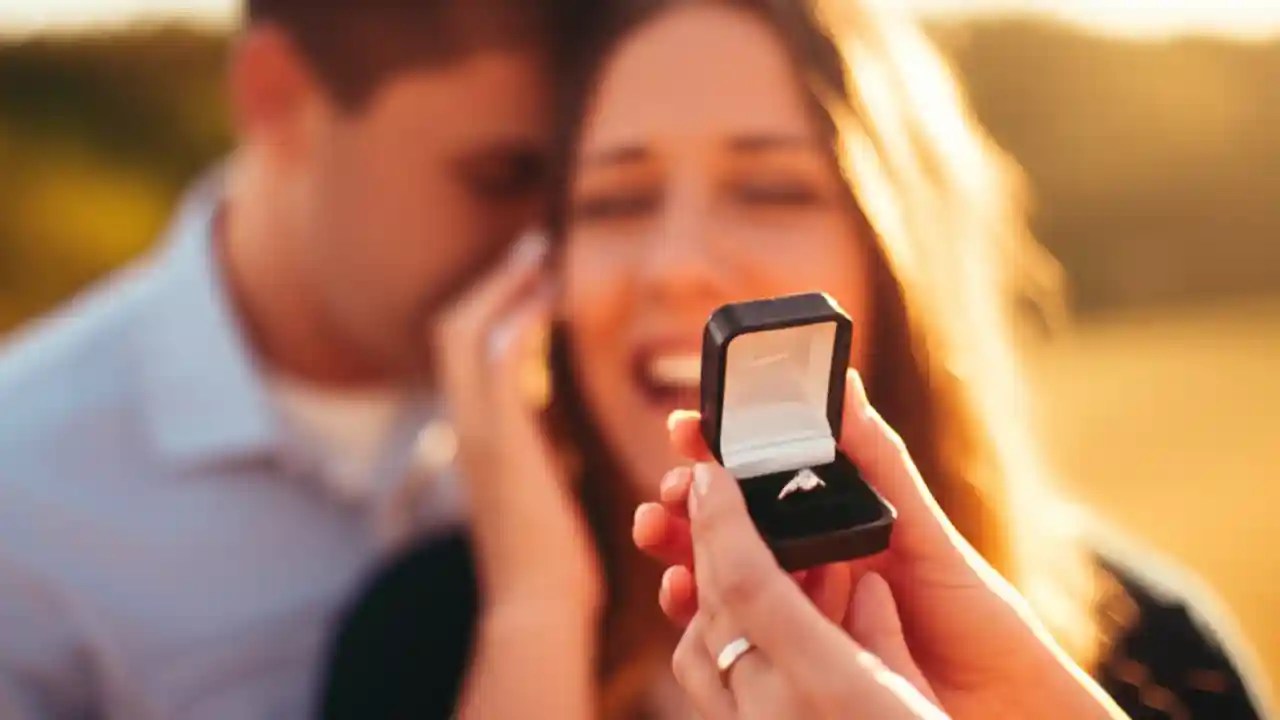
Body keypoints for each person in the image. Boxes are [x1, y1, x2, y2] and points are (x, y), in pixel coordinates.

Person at [320, 1, 1270, 718]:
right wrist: (534, 621)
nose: (679, 261)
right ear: (541, 279)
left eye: (772, 188)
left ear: (896, 258)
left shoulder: (1150, 645)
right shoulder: (417, 640)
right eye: (613, 201)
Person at [0, 1, 587, 717]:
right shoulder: (21, 493)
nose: (547, 254)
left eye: (580, 192)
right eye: (499, 176)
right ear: (277, 96)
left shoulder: (604, 400)